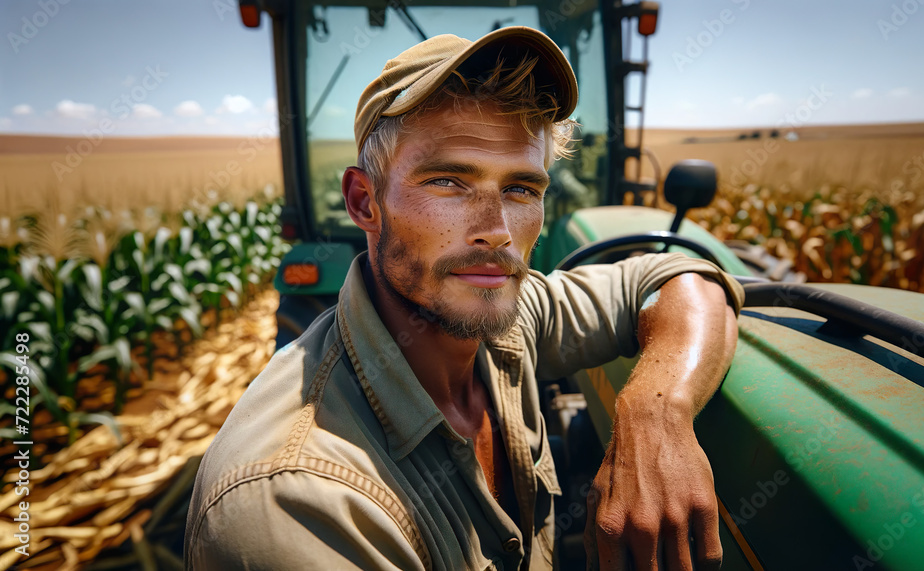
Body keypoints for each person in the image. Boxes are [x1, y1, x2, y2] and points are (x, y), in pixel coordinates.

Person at [185, 26, 742, 570]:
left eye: (521, 188)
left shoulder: (507, 319)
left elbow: (679, 276)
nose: (496, 230)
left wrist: (656, 412)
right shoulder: (298, 507)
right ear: (364, 202)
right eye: (449, 182)